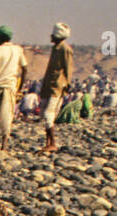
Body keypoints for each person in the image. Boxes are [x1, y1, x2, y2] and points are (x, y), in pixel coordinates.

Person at [0, 25, 27, 153]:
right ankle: (4, 145)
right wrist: (20, 87)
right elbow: (24, 68)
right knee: (7, 114)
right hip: (10, 86)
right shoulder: (18, 50)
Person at [38, 24, 74, 153]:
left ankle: (52, 142)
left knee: (49, 114)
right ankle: (48, 142)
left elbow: (68, 68)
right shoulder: (55, 49)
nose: (50, 36)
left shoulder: (65, 49)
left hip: (57, 87)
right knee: (45, 114)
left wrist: (67, 85)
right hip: (49, 85)